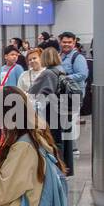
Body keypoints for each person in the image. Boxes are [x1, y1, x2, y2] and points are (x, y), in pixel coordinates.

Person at [34, 46, 74, 176]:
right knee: (65, 141)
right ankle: (66, 169)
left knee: (54, 141)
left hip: (53, 111)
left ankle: (58, 170)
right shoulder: (61, 71)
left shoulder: (47, 73)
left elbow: (36, 90)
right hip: (64, 110)